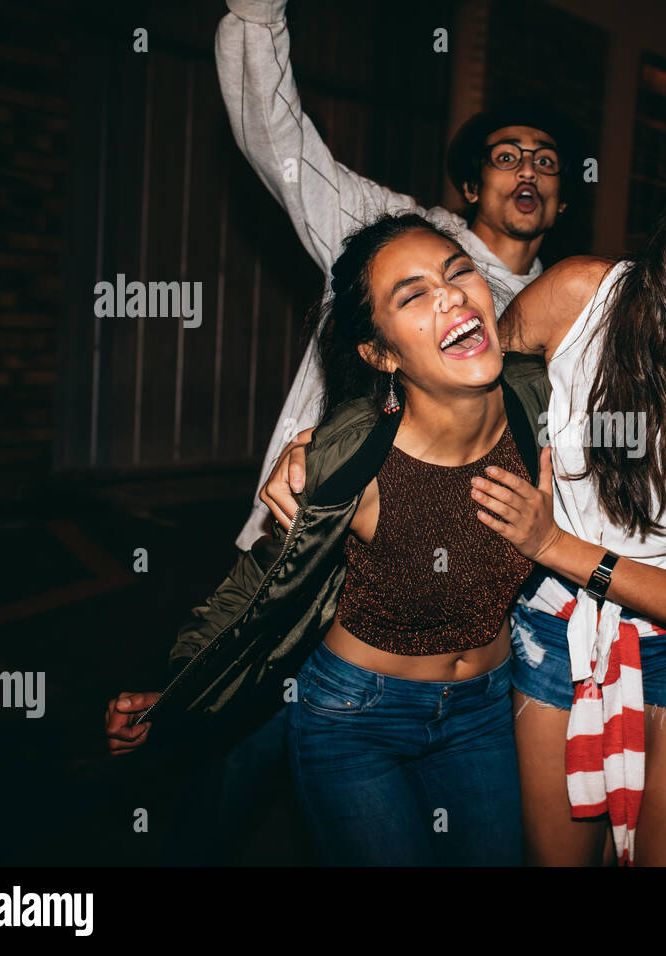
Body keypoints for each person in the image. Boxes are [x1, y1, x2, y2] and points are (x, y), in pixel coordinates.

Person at [261, 116, 666, 866]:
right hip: (554, 620)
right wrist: (328, 447)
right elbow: (457, 389)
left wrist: (554, 543)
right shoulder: (580, 294)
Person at [105, 213, 553, 865]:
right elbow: (257, 592)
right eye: (413, 293)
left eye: (458, 273)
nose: (451, 294)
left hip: (484, 713)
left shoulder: (541, 402)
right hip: (356, 720)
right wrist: (179, 694)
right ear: (380, 353)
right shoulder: (351, 458)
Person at [215, 0, 578, 552]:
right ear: (472, 187)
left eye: (546, 162)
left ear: (562, 202)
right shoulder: (398, 236)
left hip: (448, 567)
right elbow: (282, 149)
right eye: (506, 157)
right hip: (314, 528)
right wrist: (257, 17)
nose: (529, 169)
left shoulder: (572, 310)